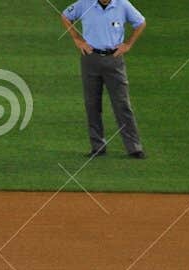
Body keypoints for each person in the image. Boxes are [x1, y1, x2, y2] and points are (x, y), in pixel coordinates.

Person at [60, 0, 147, 159]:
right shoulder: (85, 3)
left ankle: (134, 148)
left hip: (114, 59)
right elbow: (65, 16)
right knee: (92, 103)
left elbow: (140, 23)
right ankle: (98, 146)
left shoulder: (122, 4)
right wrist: (77, 39)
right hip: (90, 58)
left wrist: (128, 44)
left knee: (122, 104)